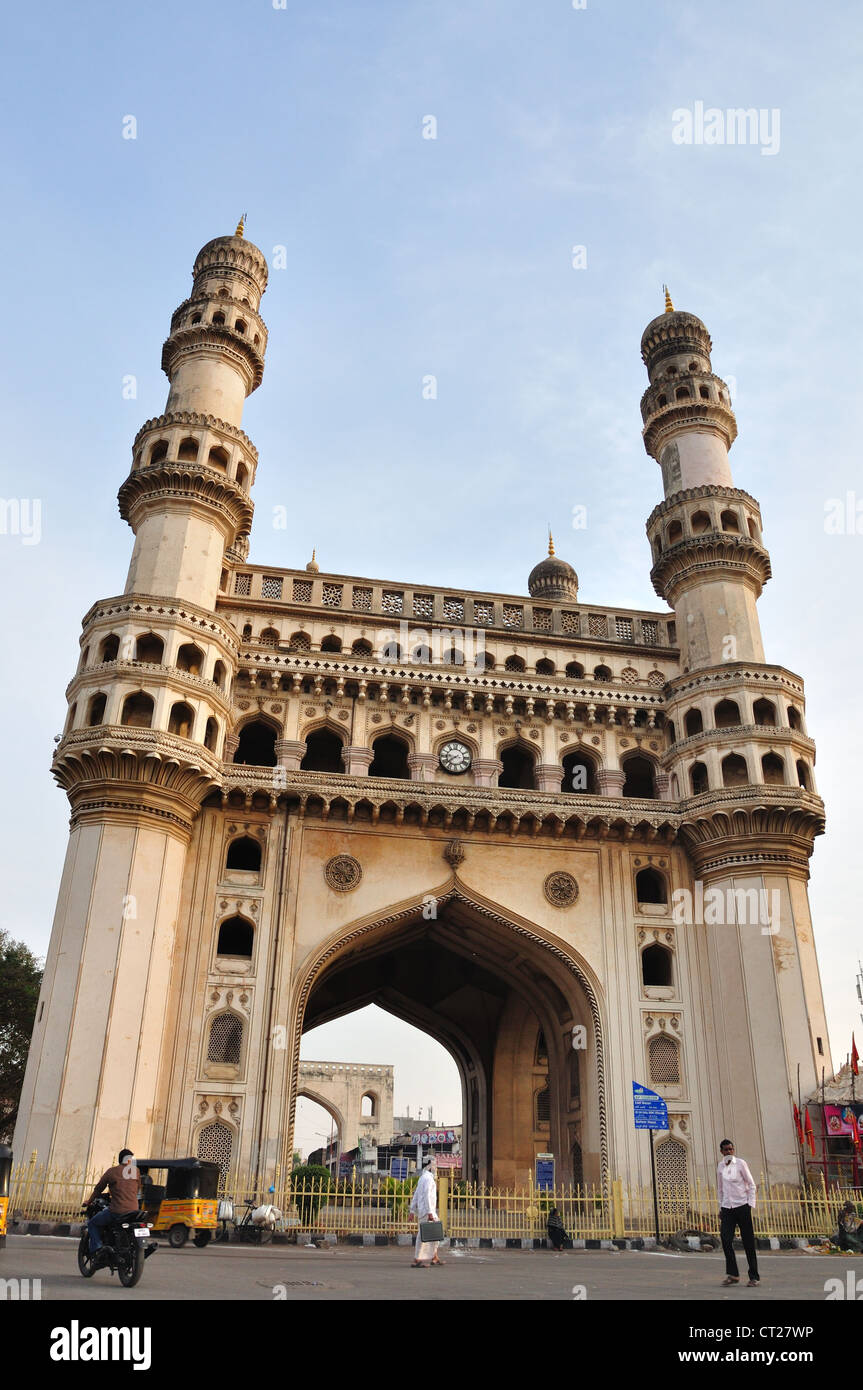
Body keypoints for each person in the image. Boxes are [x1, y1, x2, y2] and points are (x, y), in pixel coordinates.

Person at [85, 1148, 142, 1258]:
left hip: (117, 1210)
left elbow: (98, 1189)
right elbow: (138, 1187)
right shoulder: (136, 1172)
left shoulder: (112, 1172)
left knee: (92, 1223)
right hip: (134, 1210)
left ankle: (97, 1248)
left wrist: (89, 1201)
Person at [717, 1138, 759, 1286]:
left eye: (731, 1149)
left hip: (742, 1206)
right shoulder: (720, 1166)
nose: (728, 1152)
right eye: (726, 1150)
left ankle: (754, 1276)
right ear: (721, 1152)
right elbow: (720, 1189)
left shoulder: (741, 1164)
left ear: (733, 1150)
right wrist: (720, 1207)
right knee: (726, 1239)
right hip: (728, 1208)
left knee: (748, 1242)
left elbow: (751, 1184)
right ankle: (733, 1274)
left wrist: (750, 1205)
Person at [409, 1157, 443, 1267]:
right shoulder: (428, 1179)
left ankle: (434, 1257)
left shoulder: (422, 1178)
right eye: (434, 1165)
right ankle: (417, 1259)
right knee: (425, 1235)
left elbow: (416, 1195)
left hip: (425, 1211)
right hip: (428, 1212)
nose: (435, 1167)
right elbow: (427, 1196)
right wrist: (429, 1213)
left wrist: (412, 1210)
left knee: (434, 1234)